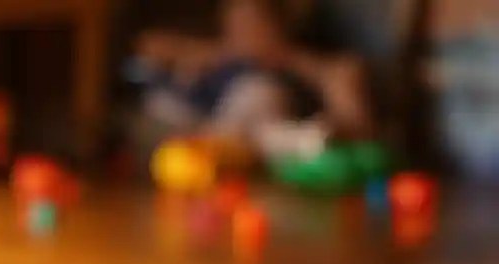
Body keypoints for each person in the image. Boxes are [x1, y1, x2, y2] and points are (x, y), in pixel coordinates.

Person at [131, 0, 372, 156]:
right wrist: (216, 54)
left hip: (276, 139)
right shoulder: (215, 57)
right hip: (211, 134)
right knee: (159, 104)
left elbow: (355, 118)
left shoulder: (310, 63)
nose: (247, 31)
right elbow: (147, 47)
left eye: (256, 22)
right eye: (238, 24)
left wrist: (287, 56)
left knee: (259, 92)